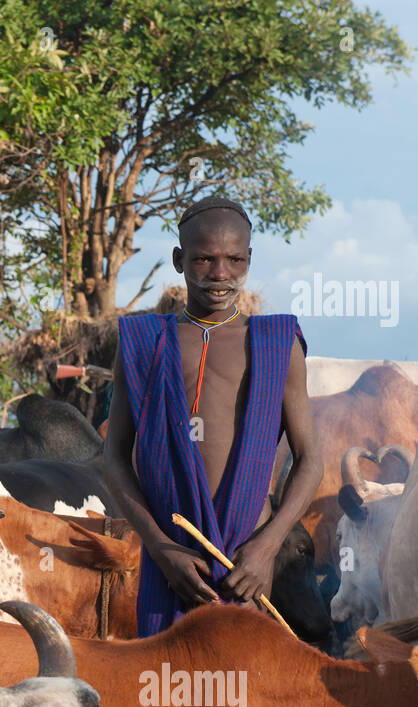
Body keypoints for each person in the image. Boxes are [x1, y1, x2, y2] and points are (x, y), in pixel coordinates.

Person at [101, 197, 321, 637]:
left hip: (246, 561)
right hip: (172, 561)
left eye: (234, 259)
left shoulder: (278, 343)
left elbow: (310, 459)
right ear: (180, 260)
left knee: (244, 690)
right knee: (169, 687)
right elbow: (113, 460)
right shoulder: (144, 342)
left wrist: (267, 547)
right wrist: (162, 549)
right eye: (204, 259)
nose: (220, 274)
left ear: (249, 259)